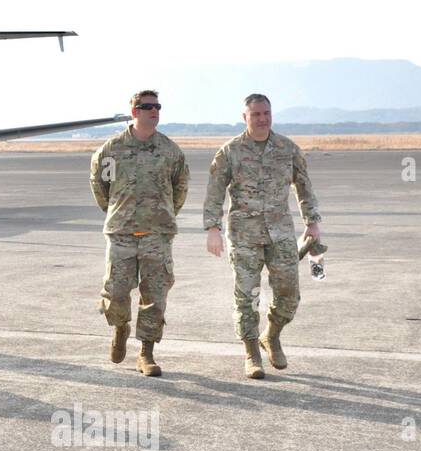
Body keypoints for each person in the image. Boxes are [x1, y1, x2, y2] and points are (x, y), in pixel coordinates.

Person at [204, 93, 322, 379]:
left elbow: (304, 187)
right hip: (244, 235)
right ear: (245, 117)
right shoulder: (230, 151)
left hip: (281, 233)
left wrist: (312, 222)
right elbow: (215, 192)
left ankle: (271, 335)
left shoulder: (288, 149)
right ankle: (251, 353)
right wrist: (212, 228)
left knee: (289, 294)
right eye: (255, 114)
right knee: (247, 297)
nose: (262, 118)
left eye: (266, 113)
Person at [88, 91, 188, 376]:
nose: (153, 111)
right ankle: (120, 327)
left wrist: (162, 215)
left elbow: (180, 189)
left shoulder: (171, 152)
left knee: (155, 295)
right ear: (134, 112)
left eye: (157, 106)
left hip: (157, 234)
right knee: (116, 292)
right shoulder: (111, 150)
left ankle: (146, 353)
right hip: (121, 233)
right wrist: (119, 212)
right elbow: (100, 188)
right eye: (146, 107)